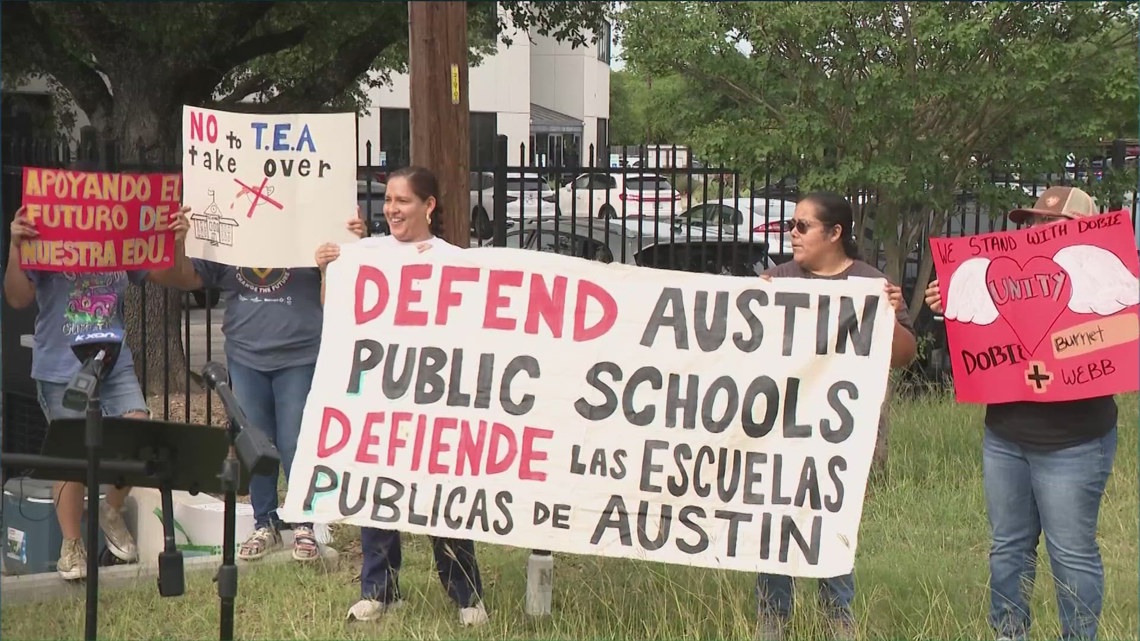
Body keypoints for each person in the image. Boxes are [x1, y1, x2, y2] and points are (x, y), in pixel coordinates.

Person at [924, 186, 1117, 641]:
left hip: (1075, 443)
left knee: (1070, 553)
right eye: (1032, 222)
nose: (1036, 231)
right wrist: (946, 304)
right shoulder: (1005, 280)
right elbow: (981, 340)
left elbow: (1115, 344)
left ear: (1085, 231)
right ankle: (1009, 634)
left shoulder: (1107, 290)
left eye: (1052, 224)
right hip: (1006, 436)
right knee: (1008, 549)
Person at [315, 165, 488, 627]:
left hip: (434, 398)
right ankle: (379, 589)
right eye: (388, 200)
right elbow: (335, 311)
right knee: (378, 493)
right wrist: (328, 270)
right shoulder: (365, 252)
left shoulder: (455, 258)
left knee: (442, 497)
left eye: (403, 200)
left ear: (428, 206)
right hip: (380, 394)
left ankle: (466, 594)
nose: (392, 209)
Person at [155, 207, 367, 563]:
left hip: (299, 353)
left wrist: (351, 243)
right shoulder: (231, 233)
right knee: (254, 441)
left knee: (294, 439)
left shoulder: (308, 226)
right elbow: (182, 277)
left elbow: (344, 289)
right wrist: (176, 242)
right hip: (246, 354)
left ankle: (303, 522)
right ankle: (265, 522)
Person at [755, 191, 917, 641]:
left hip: (843, 438)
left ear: (835, 233)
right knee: (776, 522)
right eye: (792, 224)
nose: (793, 233)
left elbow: (904, 355)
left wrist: (888, 316)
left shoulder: (871, 285)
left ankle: (838, 620)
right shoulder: (777, 280)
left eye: (803, 225)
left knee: (831, 521)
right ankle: (772, 619)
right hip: (781, 433)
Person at [3, 205, 190, 580]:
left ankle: (110, 508)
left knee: (138, 430)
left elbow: (165, 274)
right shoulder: (48, 239)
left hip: (112, 360)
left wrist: (176, 243)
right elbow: (17, 298)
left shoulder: (122, 239)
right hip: (61, 365)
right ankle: (71, 546)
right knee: (71, 456)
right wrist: (15, 246)